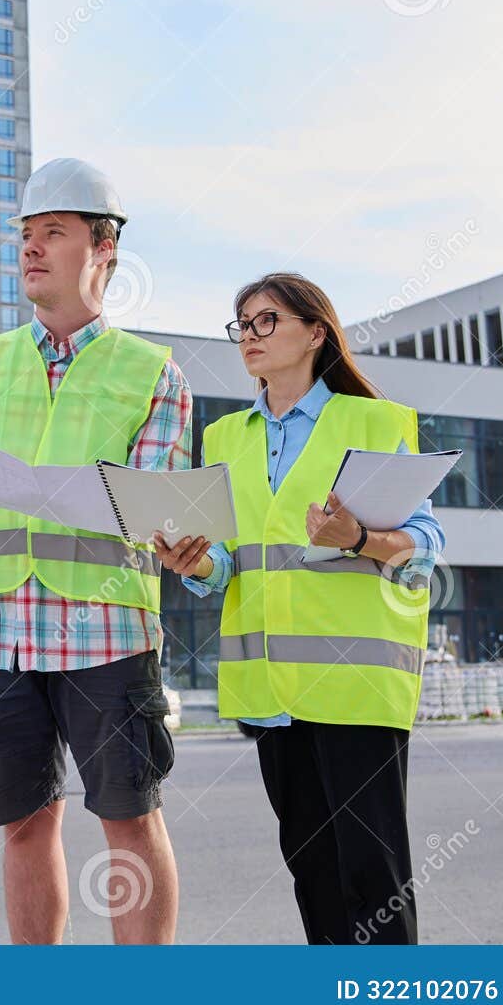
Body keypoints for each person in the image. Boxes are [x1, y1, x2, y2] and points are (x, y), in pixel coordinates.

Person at [0, 158, 186, 944]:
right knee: (23, 823)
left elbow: (156, 504)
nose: (32, 249)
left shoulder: (152, 372)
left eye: (54, 232)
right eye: (25, 236)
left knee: (130, 820)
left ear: (103, 248)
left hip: (106, 631)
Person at [154, 271, 445, 945]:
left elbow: (426, 545)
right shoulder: (225, 436)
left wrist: (361, 539)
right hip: (273, 689)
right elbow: (229, 561)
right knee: (310, 866)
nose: (249, 336)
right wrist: (193, 560)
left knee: (372, 872)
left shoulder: (371, 423)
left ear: (316, 332)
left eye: (266, 321)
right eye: (242, 324)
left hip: (356, 688)